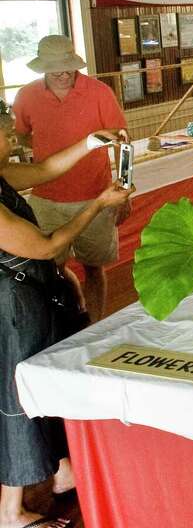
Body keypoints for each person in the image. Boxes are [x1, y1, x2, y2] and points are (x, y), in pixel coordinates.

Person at [0, 112, 131, 528]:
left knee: (44, 378)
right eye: (4, 134)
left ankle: (61, 471)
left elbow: (45, 169)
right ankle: (10, 511)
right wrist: (98, 204)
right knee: (19, 396)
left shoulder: (1, 173)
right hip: (11, 307)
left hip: (29, 294)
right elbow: (47, 245)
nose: (13, 138)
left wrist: (92, 140)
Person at [13, 35, 130, 319]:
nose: (65, 75)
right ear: (43, 69)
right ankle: (75, 313)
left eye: (69, 68)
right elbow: (19, 135)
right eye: (56, 70)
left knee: (94, 267)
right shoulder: (26, 96)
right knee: (50, 267)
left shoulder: (99, 92)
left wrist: (125, 191)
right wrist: (44, 146)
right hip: (47, 199)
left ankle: (96, 325)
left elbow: (123, 141)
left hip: (96, 194)